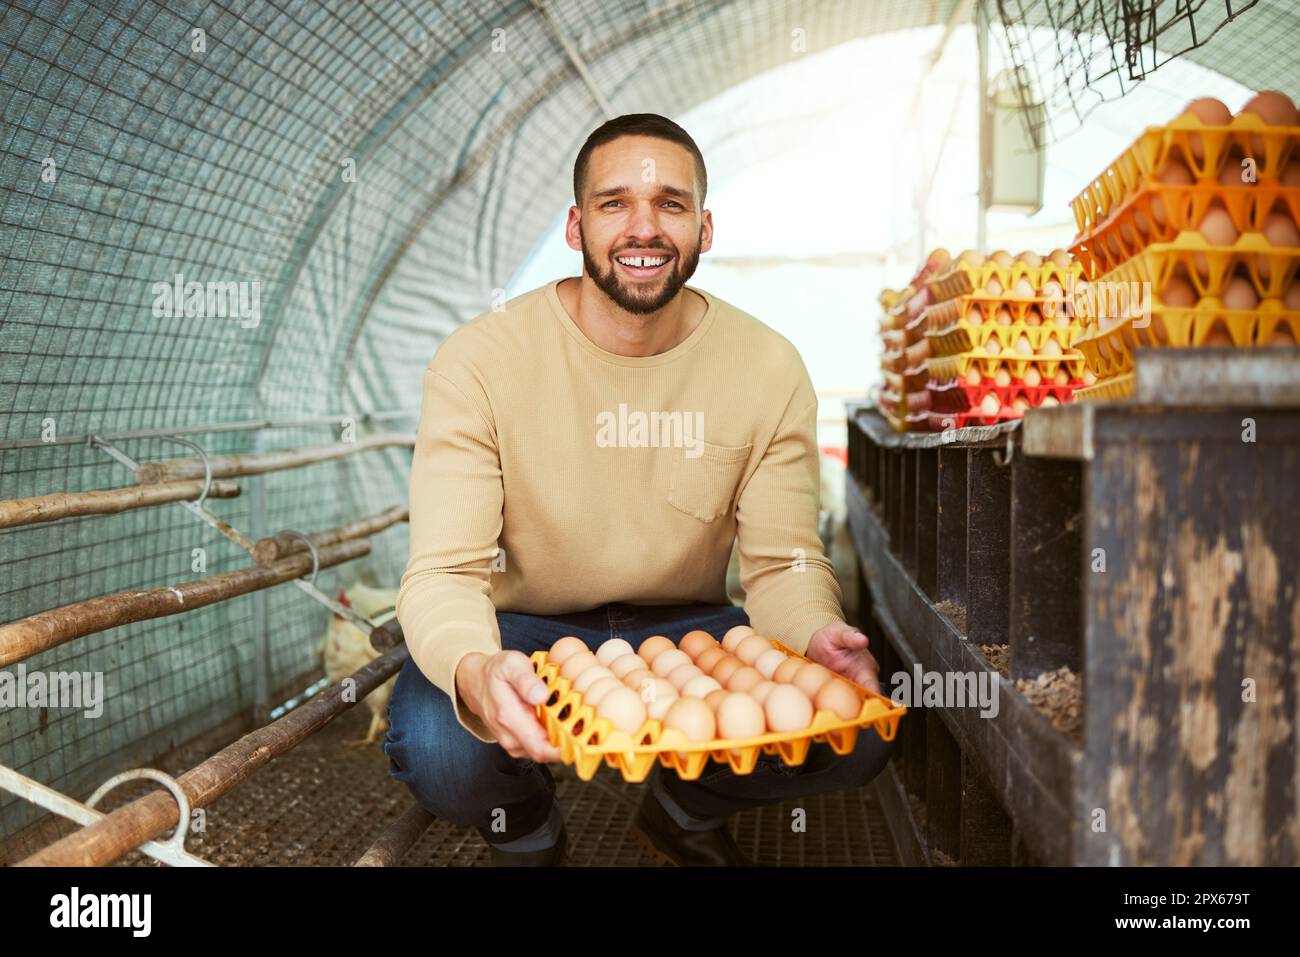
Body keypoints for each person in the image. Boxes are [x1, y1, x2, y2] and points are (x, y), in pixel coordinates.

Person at [385, 113, 894, 866]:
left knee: (852, 730)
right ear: (575, 224)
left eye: (672, 204)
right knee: (437, 741)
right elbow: (443, 574)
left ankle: (682, 807)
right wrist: (476, 667)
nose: (644, 229)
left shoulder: (767, 365)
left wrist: (816, 631)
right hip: (529, 627)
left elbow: (784, 562)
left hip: (689, 625)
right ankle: (528, 828)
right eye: (615, 203)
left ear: (706, 227)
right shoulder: (480, 361)